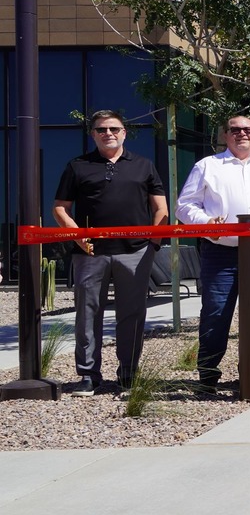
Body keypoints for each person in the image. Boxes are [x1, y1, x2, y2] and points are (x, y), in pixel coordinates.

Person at [53, 111, 168, 395]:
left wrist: (152, 244)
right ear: (93, 134)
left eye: (114, 128)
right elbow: (60, 208)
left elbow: (161, 209)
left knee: (132, 314)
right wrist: (77, 236)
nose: (108, 133)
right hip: (90, 254)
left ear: (124, 132)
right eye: (101, 129)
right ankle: (89, 375)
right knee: (87, 314)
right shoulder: (78, 166)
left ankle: (128, 373)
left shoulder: (143, 165)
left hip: (136, 253)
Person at [177, 115, 250, 393]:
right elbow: (184, 206)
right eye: (235, 130)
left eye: (247, 130)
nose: (242, 134)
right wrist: (205, 223)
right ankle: (208, 377)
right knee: (215, 313)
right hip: (220, 252)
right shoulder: (207, 166)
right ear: (225, 135)